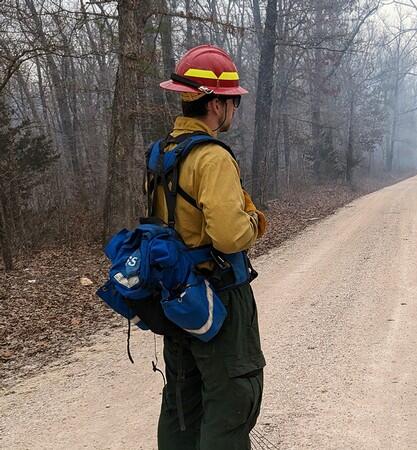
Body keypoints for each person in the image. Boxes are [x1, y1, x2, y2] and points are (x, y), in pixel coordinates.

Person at [154, 44, 267, 450]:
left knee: (182, 404)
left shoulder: (164, 151)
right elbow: (230, 235)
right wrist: (255, 219)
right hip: (218, 298)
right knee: (233, 398)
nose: (234, 108)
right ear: (216, 104)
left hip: (177, 297)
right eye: (232, 100)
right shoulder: (212, 158)